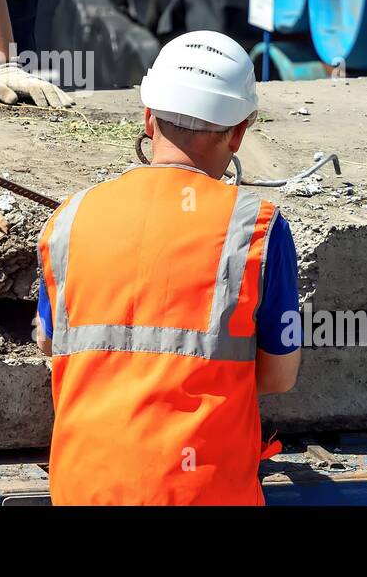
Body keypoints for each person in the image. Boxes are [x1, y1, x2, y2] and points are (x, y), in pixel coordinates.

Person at [35, 31, 301, 505]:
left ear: (148, 117)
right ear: (238, 132)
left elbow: (51, 342)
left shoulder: (70, 219)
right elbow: (278, 378)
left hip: (84, 489)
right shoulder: (257, 227)